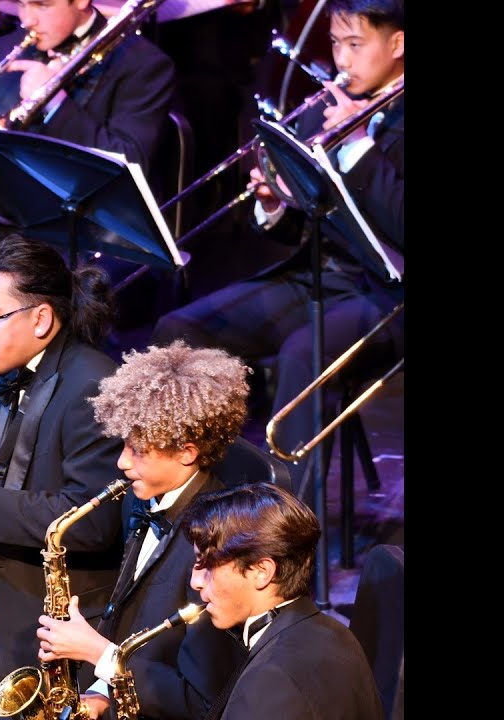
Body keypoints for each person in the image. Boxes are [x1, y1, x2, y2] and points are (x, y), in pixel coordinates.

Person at [149, 0, 404, 503]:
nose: (341, 59)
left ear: (397, 44)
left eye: (355, 44)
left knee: (304, 353)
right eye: (336, 44)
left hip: (389, 296)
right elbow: (298, 228)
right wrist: (274, 202)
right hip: (319, 275)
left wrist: (358, 146)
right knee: (179, 331)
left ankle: (284, 525)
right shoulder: (329, 107)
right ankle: (190, 494)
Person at [0, 235, 125, 720]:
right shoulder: (12, 371)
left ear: (41, 319)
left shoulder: (92, 387)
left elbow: (93, 522)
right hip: (16, 585)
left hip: (69, 613)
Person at [0, 0, 176, 310]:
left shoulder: (144, 64)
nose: (27, 19)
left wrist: (57, 104)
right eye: (21, 4)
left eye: (41, 5)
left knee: (45, 298)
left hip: (82, 238)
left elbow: (128, 159)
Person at [33, 341, 250, 720]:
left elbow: (200, 702)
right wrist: (100, 688)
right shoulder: (141, 498)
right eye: (124, 446)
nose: (121, 462)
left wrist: (100, 654)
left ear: (187, 453)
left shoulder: (215, 548)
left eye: (138, 451)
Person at [180, 482, 384, 719]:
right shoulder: (335, 632)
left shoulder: (268, 685)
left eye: (207, 566)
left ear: (261, 571)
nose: (195, 581)